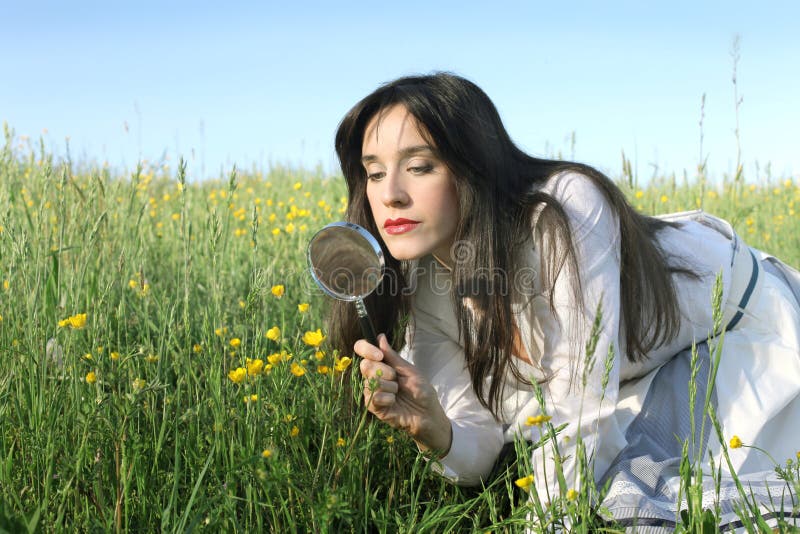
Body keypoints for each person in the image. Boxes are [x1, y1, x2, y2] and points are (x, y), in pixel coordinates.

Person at [327, 72, 800, 529]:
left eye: (418, 167)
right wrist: (435, 427)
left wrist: (545, 525)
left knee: (665, 499)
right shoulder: (429, 283)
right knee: (614, 484)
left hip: (743, 331)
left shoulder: (564, 211)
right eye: (373, 173)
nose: (389, 195)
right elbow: (480, 449)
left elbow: (583, 408)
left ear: (472, 166)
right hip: (637, 378)